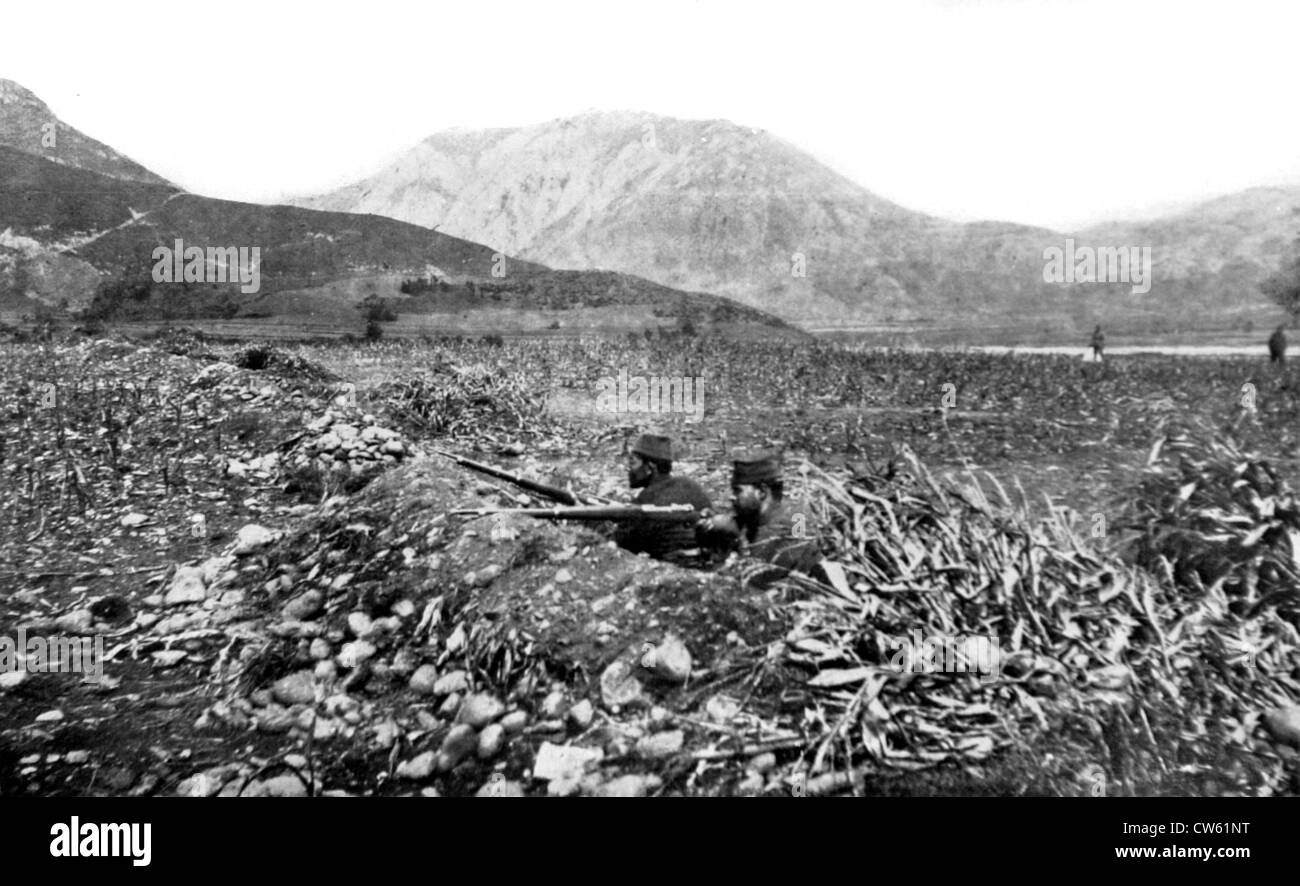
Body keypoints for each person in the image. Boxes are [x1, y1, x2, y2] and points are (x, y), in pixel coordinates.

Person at [696, 451, 822, 584]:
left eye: (737, 491)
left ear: (761, 492)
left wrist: (738, 538)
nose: (731, 497)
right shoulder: (751, 518)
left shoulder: (797, 519)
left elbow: (764, 581)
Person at [611, 434, 712, 561]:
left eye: (634, 462)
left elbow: (623, 542)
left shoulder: (647, 498)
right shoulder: (690, 485)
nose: (630, 470)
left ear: (650, 467)